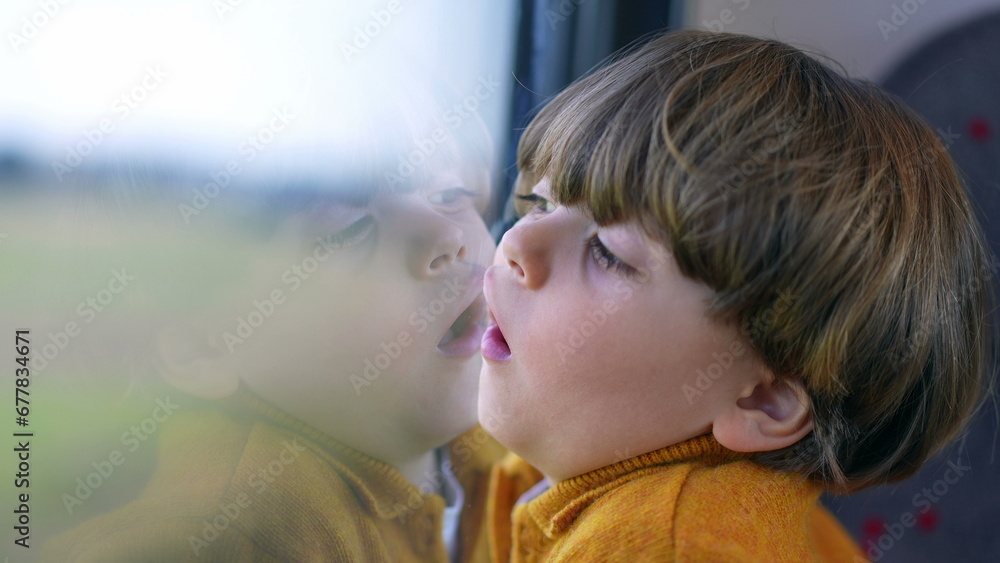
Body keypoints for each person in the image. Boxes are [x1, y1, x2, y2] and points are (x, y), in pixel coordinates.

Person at [479, 30, 995, 561]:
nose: (515, 242)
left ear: (762, 399)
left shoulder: (666, 548)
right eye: (539, 203)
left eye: (608, 252)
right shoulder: (604, 445)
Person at [42, 73, 505, 562]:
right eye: (347, 232)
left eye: (451, 194)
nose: (447, 235)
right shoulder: (232, 537)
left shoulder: (514, 437)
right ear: (202, 346)